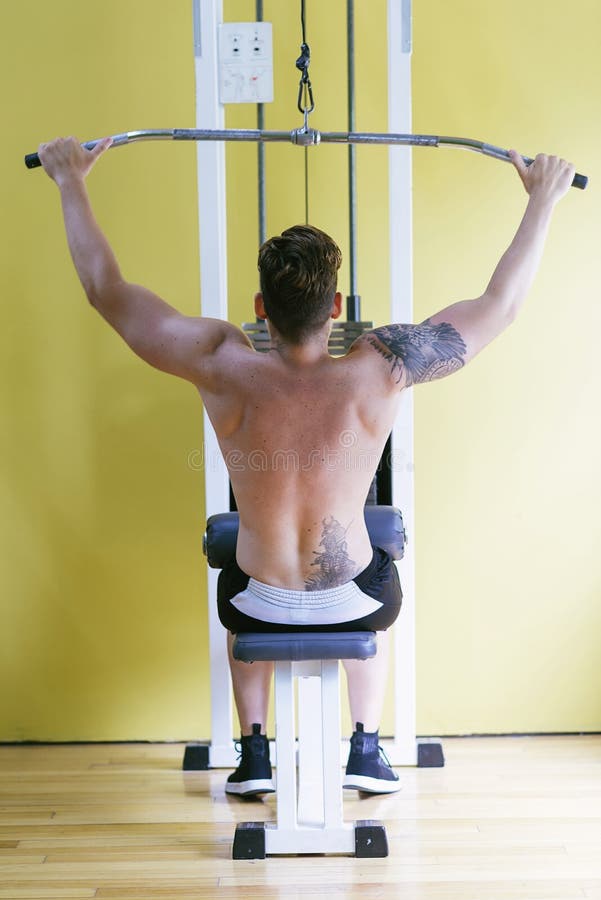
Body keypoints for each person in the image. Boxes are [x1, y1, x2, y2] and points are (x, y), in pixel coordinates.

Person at [38, 136, 575, 796]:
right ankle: (364, 750)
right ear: (337, 308)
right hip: (352, 603)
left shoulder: (217, 361)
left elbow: (105, 290)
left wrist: (71, 180)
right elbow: (501, 306)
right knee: (382, 549)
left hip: (254, 601)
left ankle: (255, 754)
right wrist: (542, 200)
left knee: (235, 559)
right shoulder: (383, 366)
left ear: (261, 309)